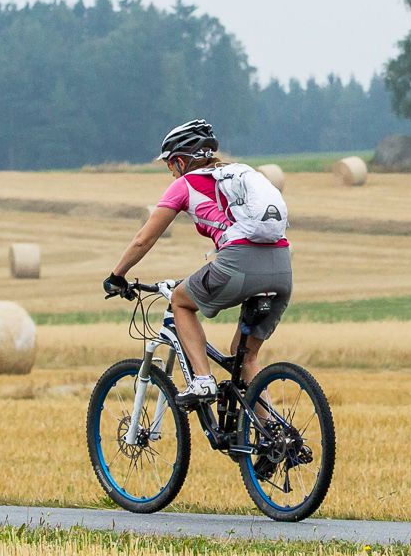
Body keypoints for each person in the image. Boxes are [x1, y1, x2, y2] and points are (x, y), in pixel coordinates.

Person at [104, 118, 290, 403]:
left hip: (239, 264)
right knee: (246, 355)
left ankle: (203, 381)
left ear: (180, 161)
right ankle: (271, 438)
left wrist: (117, 275)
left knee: (180, 300)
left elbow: (144, 239)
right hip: (281, 268)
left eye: (169, 165)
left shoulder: (186, 184)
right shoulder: (237, 176)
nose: (171, 172)